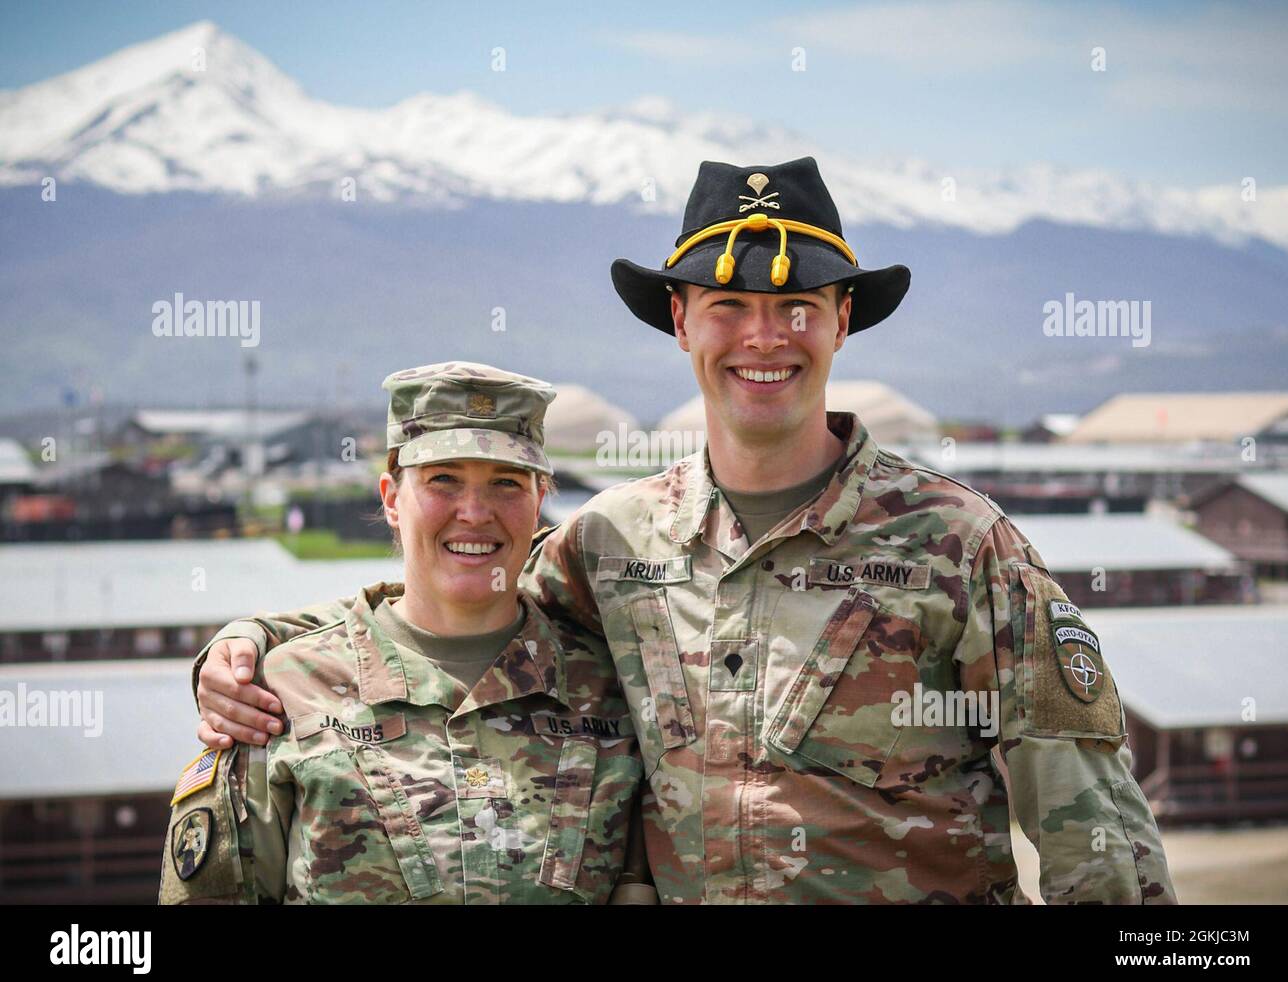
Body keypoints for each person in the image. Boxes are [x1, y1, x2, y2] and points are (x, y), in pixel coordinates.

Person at [192, 158, 1176, 904]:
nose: (764, 337)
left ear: (842, 320)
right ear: (680, 320)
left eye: (796, 306)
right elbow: (453, 606)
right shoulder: (614, 541)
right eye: (730, 307)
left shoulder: (964, 546)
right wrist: (256, 644)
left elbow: (1094, 828)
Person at [160, 362, 648, 904]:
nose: (474, 512)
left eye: (506, 483)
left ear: (539, 503)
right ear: (392, 498)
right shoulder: (281, 695)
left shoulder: (612, 692)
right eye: (443, 479)